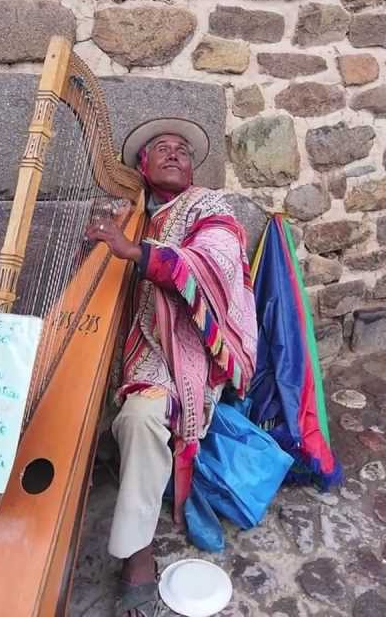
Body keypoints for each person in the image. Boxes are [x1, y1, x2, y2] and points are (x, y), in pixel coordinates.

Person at [85, 119, 258, 617]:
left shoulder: (208, 207)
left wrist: (136, 252)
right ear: (142, 166)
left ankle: (137, 558)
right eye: (162, 148)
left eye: (183, 150)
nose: (176, 154)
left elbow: (217, 262)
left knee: (140, 418)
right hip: (131, 340)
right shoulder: (131, 213)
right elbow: (98, 271)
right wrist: (95, 244)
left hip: (182, 347)